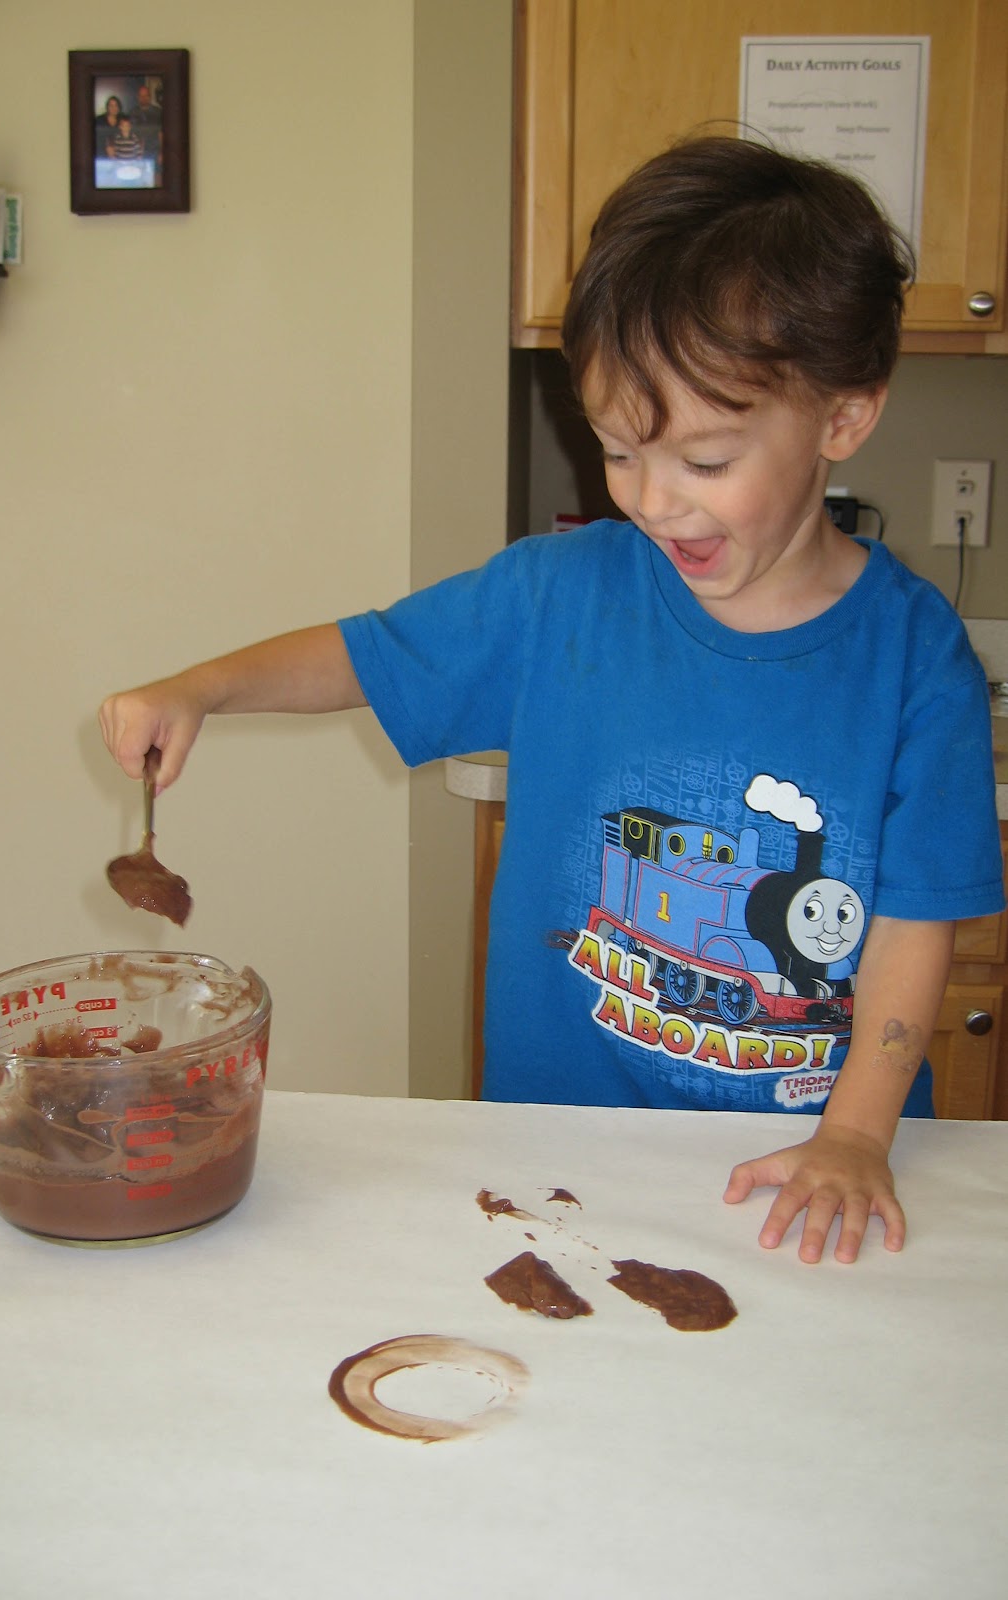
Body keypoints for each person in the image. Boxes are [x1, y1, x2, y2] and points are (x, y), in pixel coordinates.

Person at [97, 135, 1003, 1267]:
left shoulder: (915, 660)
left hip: (803, 1176)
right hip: (556, 1165)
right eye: (619, 450)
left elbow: (914, 926)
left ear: (841, 420)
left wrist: (857, 1133)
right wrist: (201, 687)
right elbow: (368, 656)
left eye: (705, 459)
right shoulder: (554, 597)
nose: (653, 499)